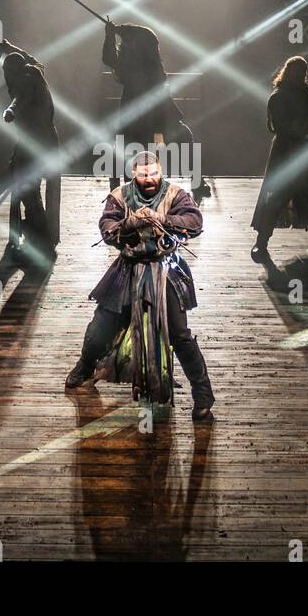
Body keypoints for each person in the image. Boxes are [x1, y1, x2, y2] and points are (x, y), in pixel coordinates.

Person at [64, 151, 215, 420]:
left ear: (160, 171)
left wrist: (164, 219)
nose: (149, 179)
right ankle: (85, 367)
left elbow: (195, 221)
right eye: (144, 175)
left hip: (165, 269)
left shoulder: (175, 194)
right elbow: (106, 229)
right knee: (102, 325)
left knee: (180, 334)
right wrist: (129, 223)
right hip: (129, 269)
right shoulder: (120, 196)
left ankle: (203, 395)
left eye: (154, 173)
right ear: (134, 173)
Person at [250, 56, 308, 258]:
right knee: (276, 195)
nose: (300, 76)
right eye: (296, 71)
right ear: (288, 72)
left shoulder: (306, 96)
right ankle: (262, 242)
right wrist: (304, 127)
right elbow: (280, 125)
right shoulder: (278, 97)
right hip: (287, 151)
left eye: (303, 72)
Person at [102, 21, 208, 198]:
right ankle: (195, 183)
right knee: (180, 139)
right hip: (152, 119)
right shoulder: (148, 65)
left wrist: (110, 35)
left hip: (142, 117)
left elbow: (110, 60)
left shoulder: (132, 64)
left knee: (125, 149)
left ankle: (120, 189)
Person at [1, 40, 61, 262]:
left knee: (28, 189)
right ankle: (37, 235)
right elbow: (34, 61)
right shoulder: (35, 74)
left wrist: (10, 111)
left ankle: (40, 238)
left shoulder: (25, 82)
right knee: (29, 189)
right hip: (45, 142)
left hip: (33, 146)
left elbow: (19, 100)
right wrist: (11, 48)